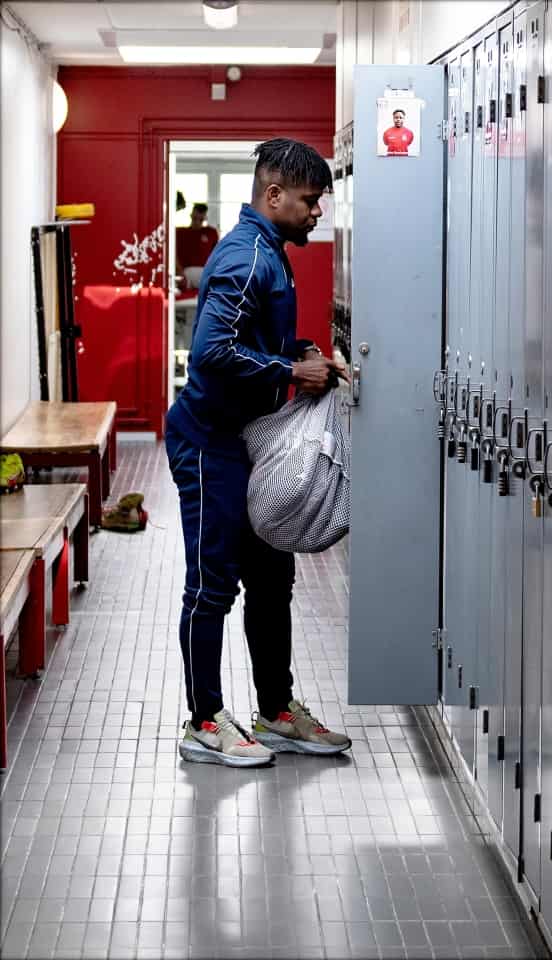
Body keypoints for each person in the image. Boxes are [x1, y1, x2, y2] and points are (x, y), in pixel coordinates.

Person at [165, 138, 351, 767]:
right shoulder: (246, 257)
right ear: (274, 195)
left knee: (272, 580)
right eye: (309, 200)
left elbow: (255, 340)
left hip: (249, 441)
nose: (317, 212)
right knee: (212, 584)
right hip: (209, 443)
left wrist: (303, 354)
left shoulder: (270, 252)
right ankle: (203, 721)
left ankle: (275, 712)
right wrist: (290, 374)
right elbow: (213, 351)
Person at [175, 203, 219, 294]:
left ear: (205, 218)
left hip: (205, 272)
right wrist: (179, 271)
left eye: (201, 219)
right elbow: (172, 255)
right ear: (191, 215)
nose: (197, 222)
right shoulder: (180, 232)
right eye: (195, 218)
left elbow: (217, 256)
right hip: (185, 273)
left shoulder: (211, 233)